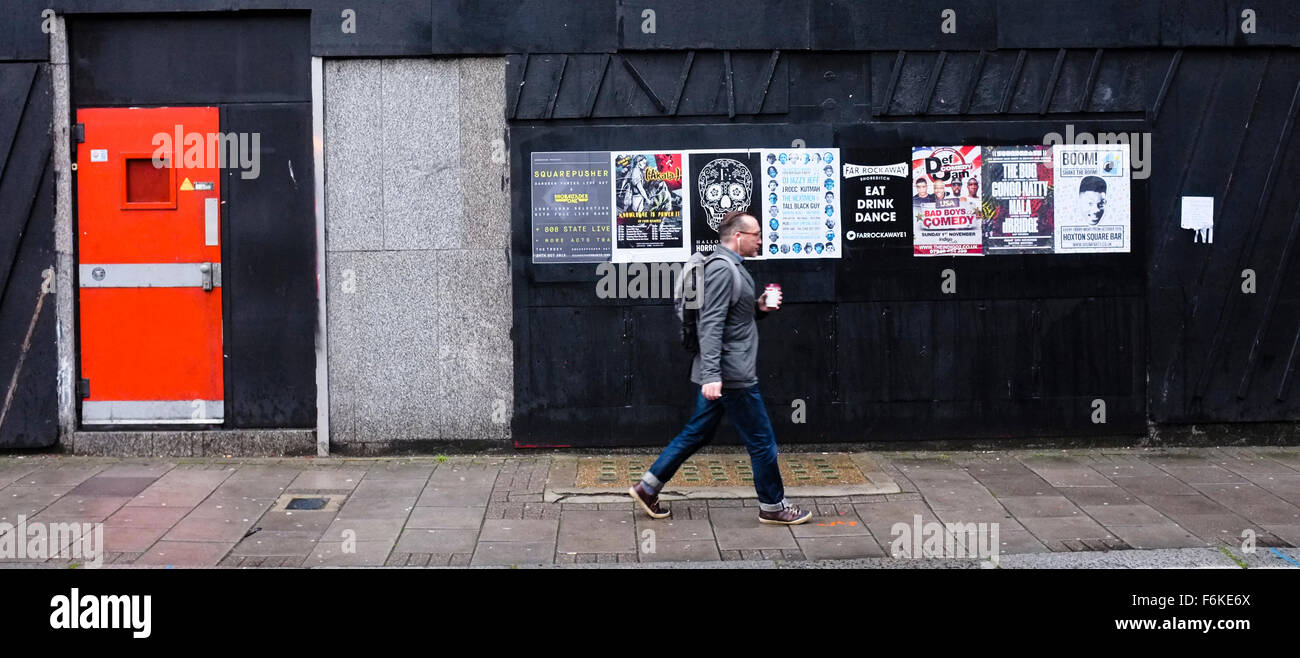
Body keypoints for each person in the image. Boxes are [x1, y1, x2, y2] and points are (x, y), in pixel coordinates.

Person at [629, 211, 813, 525]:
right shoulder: (722, 270)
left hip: (725, 371)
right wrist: (713, 375)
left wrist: (760, 308)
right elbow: (710, 324)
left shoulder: (733, 269)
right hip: (731, 375)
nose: (760, 239)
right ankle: (772, 505)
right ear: (738, 236)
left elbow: (732, 319)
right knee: (762, 440)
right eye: (756, 234)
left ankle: (648, 487)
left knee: (697, 433)